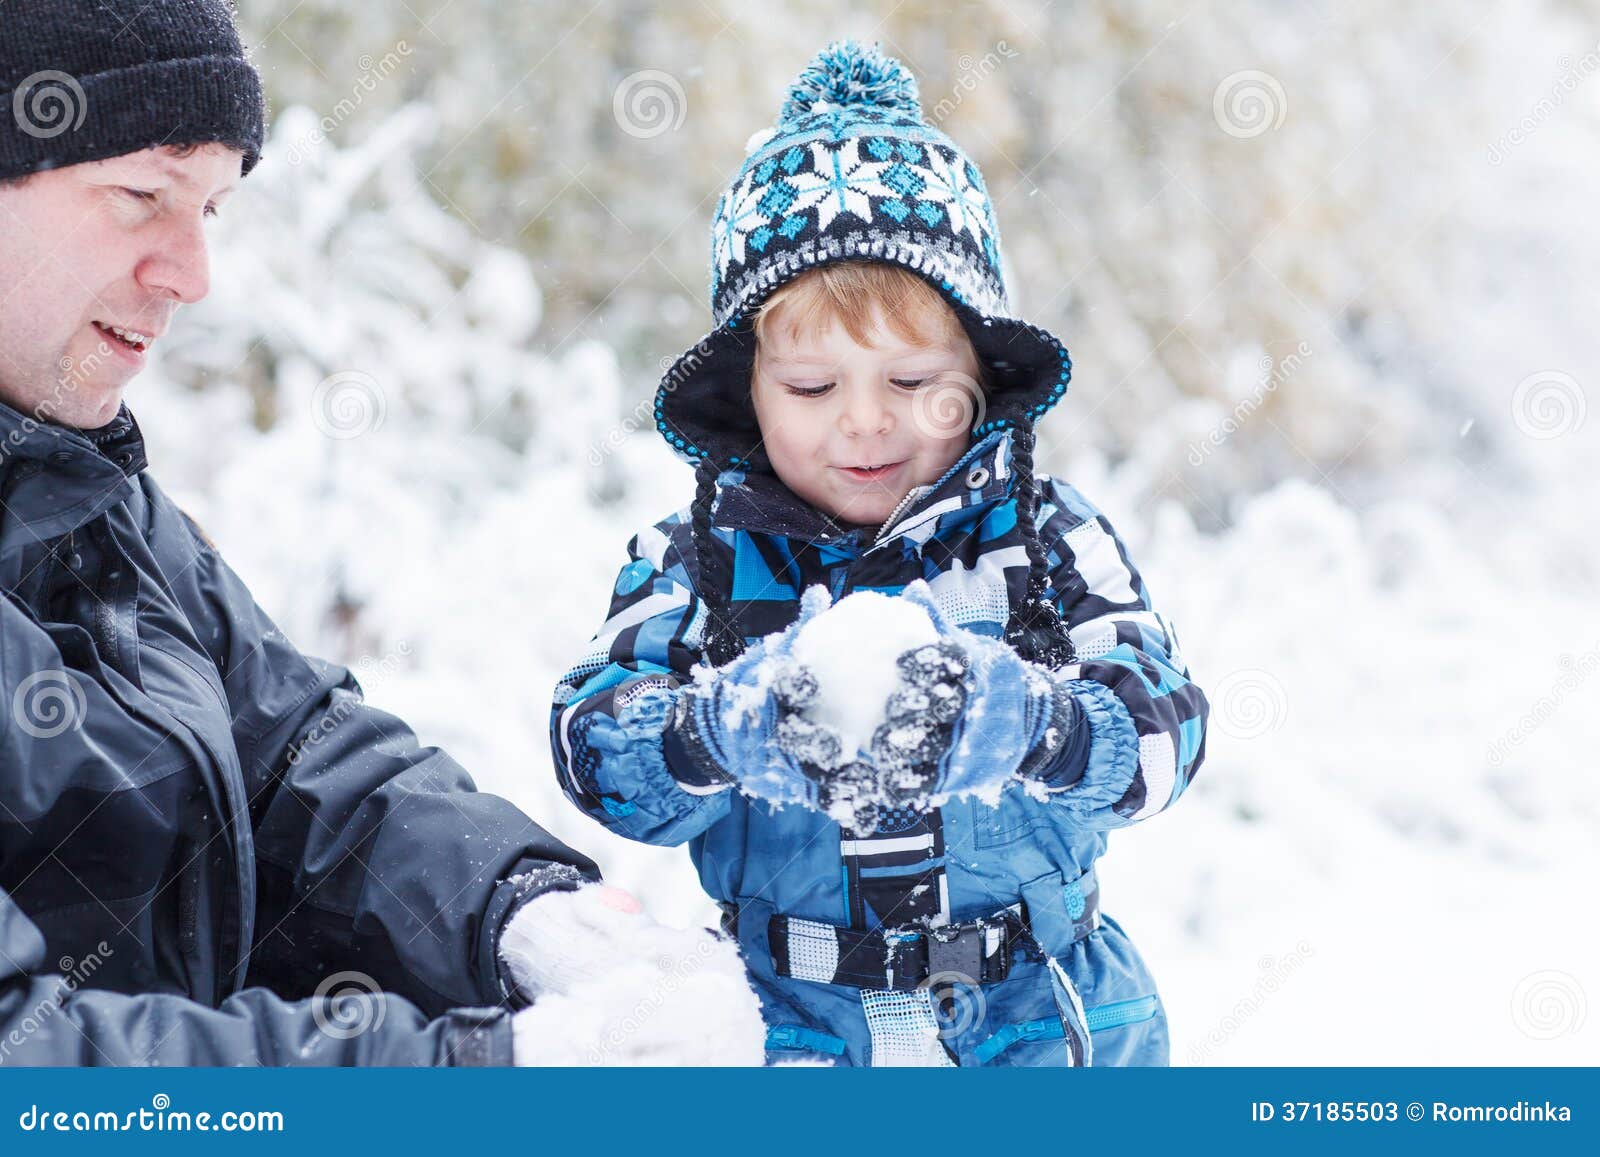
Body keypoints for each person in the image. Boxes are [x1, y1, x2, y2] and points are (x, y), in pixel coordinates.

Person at [0, 0, 760, 1067]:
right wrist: (480, 1072)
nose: (192, 273)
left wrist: (520, 916)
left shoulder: (86, 498)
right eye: (141, 196)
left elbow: (295, 750)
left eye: (210, 210)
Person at [550, 41, 1209, 1066]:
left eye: (910, 382)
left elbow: (1166, 738)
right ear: (747, 391)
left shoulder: (1046, 539)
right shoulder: (699, 563)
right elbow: (594, 754)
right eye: (813, 388)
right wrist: (714, 729)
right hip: (790, 1026)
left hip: (1044, 1018)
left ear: (979, 377)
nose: (864, 425)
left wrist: (1034, 722)